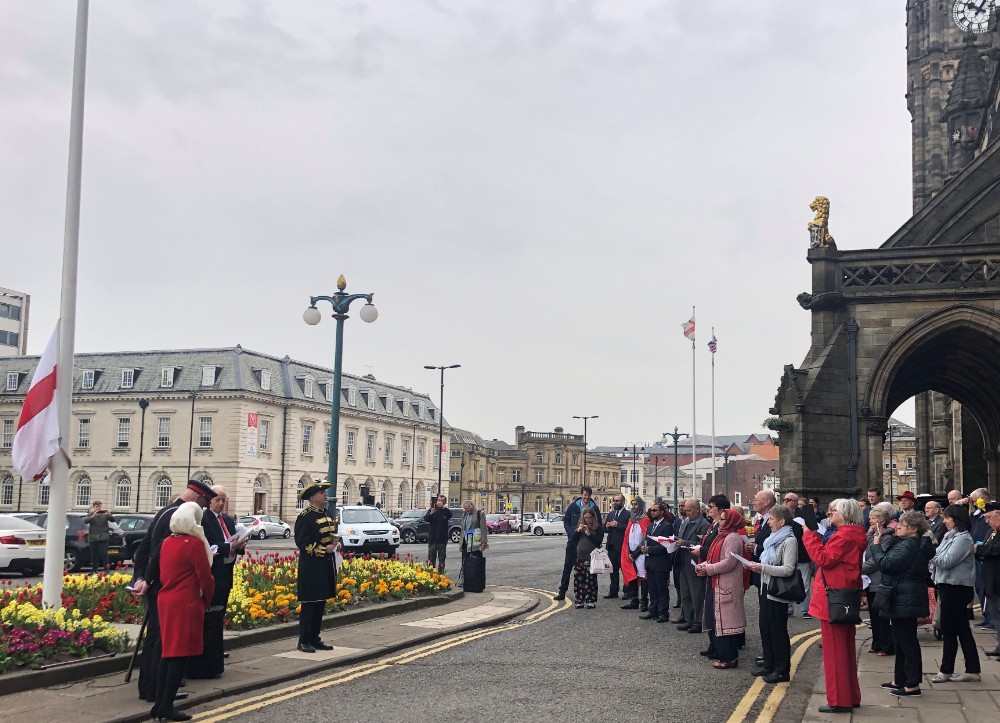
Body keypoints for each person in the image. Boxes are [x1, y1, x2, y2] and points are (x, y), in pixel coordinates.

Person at [131, 479, 217, 703]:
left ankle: (150, 687)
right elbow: (156, 553)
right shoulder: (177, 516)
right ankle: (158, 691)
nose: (203, 510)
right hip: (168, 586)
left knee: (157, 638)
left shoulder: (166, 511)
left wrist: (141, 577)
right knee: (164, 641)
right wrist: (148, 578)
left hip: (158, 584)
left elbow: (145, 547)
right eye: (203, 504)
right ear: (197, 498)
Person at [801, 498, 867, 714]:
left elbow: (823, 559)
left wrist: (809, 534)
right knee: (845, 649)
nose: (830, 513)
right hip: (844, 595)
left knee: (834, 651)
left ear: (846, 514)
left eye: (834, 510)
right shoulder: (853, 534)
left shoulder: (843, 536)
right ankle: (850, 696)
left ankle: (839, 700)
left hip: (833, 597)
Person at [151, 501, 214, 722]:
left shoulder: (168, 541)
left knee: (168, 653)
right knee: (180, 655)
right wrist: (207, 600)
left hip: (166, 600)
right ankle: (166, 706)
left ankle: (159, 704)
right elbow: (205, 578)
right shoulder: (194, 544)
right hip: (186, 601)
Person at [870, 510, 935, 698]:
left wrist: (876, 546)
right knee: (901, 640)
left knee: (907, 641)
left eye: (902, 525)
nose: (897, 527)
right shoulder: (909, 543)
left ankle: (912, 684)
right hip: (905, 596)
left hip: (905, 597)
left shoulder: (909, 545)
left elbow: (887, 565)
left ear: (913, 529)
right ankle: (900, 679)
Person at [187, 485, 247, 679]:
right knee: (210, 613)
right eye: (217, 500)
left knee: (220, 612)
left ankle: (217, 647)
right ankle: (209, 650)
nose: (221, 503)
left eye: (223, 500)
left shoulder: (227, 520)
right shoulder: (204, 519)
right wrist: (229, 547)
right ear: (210, 501)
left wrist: (240, 545)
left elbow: (232, 541)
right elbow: (208, 546)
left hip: (226, 572)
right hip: (213, 573)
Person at [929, 504, 981, 683]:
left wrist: (929, 553)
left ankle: (946, 670)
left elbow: (946, 561)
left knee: (949, 629)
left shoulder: (963, 539)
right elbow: (938, 557)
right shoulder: (949, 536)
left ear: (956, 519)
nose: (944, 521)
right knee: (961, 629)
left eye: (947, 517)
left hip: (956, 588)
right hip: (948, 586)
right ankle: (972, 669)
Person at [749, 504, 798, 684]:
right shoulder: (772, 538)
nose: (769, 522)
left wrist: (762, 567)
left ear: (782, 521)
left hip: (777, 591)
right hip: (766, 588)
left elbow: (788, 569)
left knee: (778, 631)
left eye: (771, 519)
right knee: (766, 628)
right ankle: (769, 664)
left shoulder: (789, 540)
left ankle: (781, 670)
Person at [696, 508, 748, 669]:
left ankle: (729, 658)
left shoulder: (732, 538)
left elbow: (729, 562)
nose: (720, 522)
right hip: (716, 582)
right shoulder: (721, 536)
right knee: (715, 618)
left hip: (726, 584)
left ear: (731, 522)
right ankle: (720, 652)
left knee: (726, 622)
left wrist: (709, 569)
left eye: (723, 519)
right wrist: (704, 565)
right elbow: (713, 558)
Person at [294, 481, 339, 653]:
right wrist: (323, 549)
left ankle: (315, 638)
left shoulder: (325, 512)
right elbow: (302, 542)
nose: (325, 495)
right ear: (312, 498)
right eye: (322, 493)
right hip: (311, 566)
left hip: (325, 564)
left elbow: (329, 534)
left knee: (320, 602)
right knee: (310, 604)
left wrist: (336, 544)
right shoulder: (305, 516)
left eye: (325, 492)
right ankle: (304, 640)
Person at [862, 502, 898, 657]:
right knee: (873, 615)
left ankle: (887, 646)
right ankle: (876, 643)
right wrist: (870, 532)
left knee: (883, 615)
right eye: (870, 517)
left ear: (882, 521)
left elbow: (877, 559)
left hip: (880, 579)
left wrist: (859, 569)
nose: (870, 520)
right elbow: (863, 547)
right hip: (870, 580)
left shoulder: (887, 537)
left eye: (874, 518)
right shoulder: (872, 535)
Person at [555, 487, 598, 601]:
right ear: (581, 495)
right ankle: (562, 592)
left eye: (588, 495)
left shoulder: (594, 508)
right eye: (585, 495)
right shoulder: (573, 506)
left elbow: (598, 525)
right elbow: (566, 520)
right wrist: (571, 532)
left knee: (587, 572)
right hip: (573, 542)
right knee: (567, 568)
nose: (586, 497)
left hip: (586, 544)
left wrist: (591, 533)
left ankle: (587, 595)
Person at [675, 498, 709, 632]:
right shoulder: (686, 522)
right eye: (685, 510)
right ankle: (688, 619)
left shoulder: (704, 524)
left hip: (694, 562)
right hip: (683, 561)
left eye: (689, 510)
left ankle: (698, 621)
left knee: (697, 594)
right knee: (685, 593)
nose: (686, 512)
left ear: (697, 510)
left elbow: (703, 544)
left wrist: (685, 543)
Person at [975, 501, 1000, 657]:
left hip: (997, 580)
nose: (986, 521)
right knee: (995, 615)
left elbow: (995, 550)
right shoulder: (991, 532)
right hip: (990, 580)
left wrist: (978, 549)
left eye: (989, 517)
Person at [640, 502, 672, 622]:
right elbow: (647, 541)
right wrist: (644, 548)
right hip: (650, 562)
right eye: (651, 510)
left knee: (661, 589)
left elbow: (665, 546)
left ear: (662, 512)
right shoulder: (650, 526)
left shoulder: (667, 526)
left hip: (661, 562)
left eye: (654, 510)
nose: (652, 512)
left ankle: (663, 613)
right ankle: (653, 611)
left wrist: (650, 549)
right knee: (652, 589)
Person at [783, 492, 814, 618]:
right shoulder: (782, 514)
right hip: (787, 554)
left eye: (788, 500)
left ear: (795, 502)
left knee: (805, 583)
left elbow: (813, 531)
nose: (785, 502)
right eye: (784, 499)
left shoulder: (805, 513)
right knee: (788, 582)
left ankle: (805, 609)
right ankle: (789, 608)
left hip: (803, 553)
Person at [970, 488, 994, 629]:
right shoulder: (978, 514)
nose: (973, 504)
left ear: (983, 499)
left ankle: (992, 618)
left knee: (987, 588)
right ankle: (986, 616)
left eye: (975, 501)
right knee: (979, 586)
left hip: (985, 554)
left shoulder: (991, 511)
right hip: (977, 554)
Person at [570, 507, 604, 609]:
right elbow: (573, 540)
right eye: (585, 518)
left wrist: (589, 534)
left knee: (591, 580)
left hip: (592, 558)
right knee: (579, 581)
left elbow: (598, 541)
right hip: (580, 557)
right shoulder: (580, 527)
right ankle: (579, 600)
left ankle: (591, 600)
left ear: (593, 517)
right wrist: (578, 531)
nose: (587, 519)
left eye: (589, 517)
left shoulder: (598, 528)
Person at [620, 497, 649, 611]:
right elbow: (627, 537)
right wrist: (628, 552)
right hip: (630, 552)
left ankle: (644, 602)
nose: (633, 507)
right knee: (632, 576)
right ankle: (634, 600)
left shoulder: (645, 520)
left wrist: (636, 553)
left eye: (636, 504)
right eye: (632, 504)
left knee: (643, 577)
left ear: (640, 505)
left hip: (641, 553)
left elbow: (645, 538)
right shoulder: (631, 520)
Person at [603, 494, 630, 599]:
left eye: (617, 501)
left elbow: (629, 528)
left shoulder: (628, 514)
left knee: (625, 570)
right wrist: (607, 526)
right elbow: (605, 530)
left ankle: (627, 591)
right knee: (612, 570)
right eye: (614, 500)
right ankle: (613, 591)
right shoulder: (611, 514)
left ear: (623, 502)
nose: (615, 502)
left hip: (623, 546)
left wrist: (617, 525)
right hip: (612, 546)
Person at [459, 499, 488, 585]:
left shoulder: (479, 514)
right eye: (464, 508)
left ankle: (476, 581)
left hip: (475, 541)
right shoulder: (464, 515)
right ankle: (465, 581)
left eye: (467, 508)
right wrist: (460, 544)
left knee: (476, 562)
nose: (466, 510)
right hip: (465, 541)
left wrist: (484, 543)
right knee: (465, 562)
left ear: (472, 506)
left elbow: (483, 529)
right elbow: (462, 529)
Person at [423, 494, 452, 573]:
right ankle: (431, 574)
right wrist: (431, 513)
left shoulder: (446, 511)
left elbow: (450, 515)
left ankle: (440, 574)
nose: (440, 502)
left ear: (444, 502)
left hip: (442, 539)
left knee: (442, 559)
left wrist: (443, 508)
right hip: (432, 539)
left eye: (442, 501)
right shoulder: (432, 510)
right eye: (439, 500)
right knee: (431, 558)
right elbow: (426, 518)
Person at [84, 500, 115, 572]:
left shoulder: (104, 514)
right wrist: (93, 516)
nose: (98, 508)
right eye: (97, 506)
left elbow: (113, 520)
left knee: (104, 554)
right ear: (93, 507)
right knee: (94, 555)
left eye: (99, 506)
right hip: (93, 538)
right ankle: (94, 570)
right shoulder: (91, 514)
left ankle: (106, 570)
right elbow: (85, 521)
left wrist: (109, 514)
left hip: (103, 538)